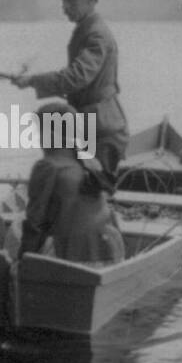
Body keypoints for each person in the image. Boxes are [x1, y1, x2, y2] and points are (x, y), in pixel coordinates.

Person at [14, 0, 129, 179]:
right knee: (78, 186)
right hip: (89, 125)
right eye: (64, 1)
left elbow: (76, 78)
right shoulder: (86, 29)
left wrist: (32, 80)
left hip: (102, 130)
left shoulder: (96, 35)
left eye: (71, 1)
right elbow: (82, 83)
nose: (65, 7)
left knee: (95, 191)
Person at [18, 101, 126, 264]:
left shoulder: (47, 166)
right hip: (109, 249)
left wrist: (21, 261)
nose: (38, 137)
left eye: (39, 131)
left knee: (17, 229)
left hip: (69, 256)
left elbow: (34, 223)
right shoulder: (91, 161)